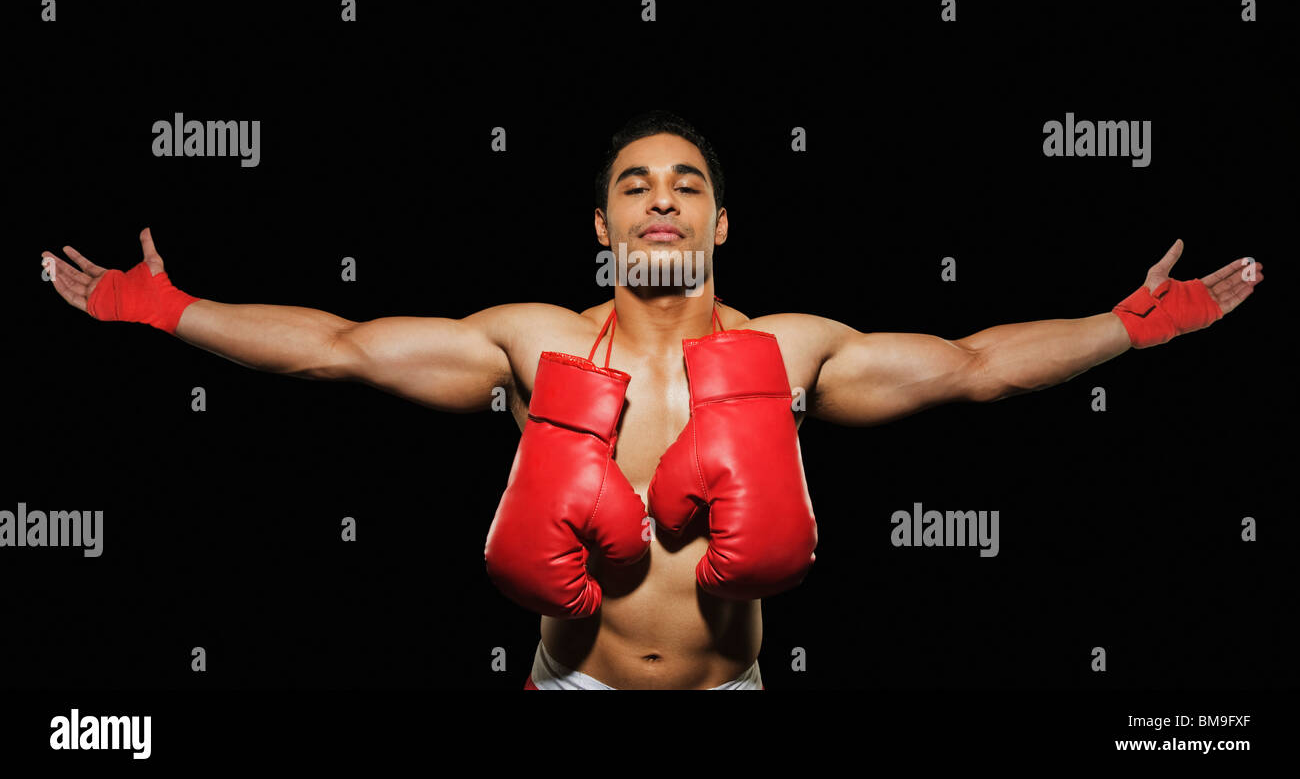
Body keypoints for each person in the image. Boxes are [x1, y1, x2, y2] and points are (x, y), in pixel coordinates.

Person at [40, 110, 1264, 690]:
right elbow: (345, 347)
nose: (660, 199)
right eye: (635, 185)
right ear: (603, 224)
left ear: (722, 222)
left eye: (685, 184)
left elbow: (976, 365)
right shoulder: (532, 345)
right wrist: (163, 307)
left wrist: (1139, 321)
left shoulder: (791, 350)